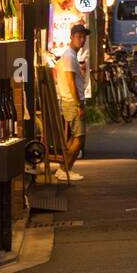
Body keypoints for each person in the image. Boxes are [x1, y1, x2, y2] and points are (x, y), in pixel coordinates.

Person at [53, 24, 89, 182]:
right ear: (71, 37)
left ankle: (65, 169)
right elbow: (70, 82)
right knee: (79, 137)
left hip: (72, 101)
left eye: (83, 37)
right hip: (72, 102)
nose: (81, 40)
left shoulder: (71, 56)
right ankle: (64, 169)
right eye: (78, 36)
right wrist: (78, 105)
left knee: (75, 138)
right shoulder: (69, 56)